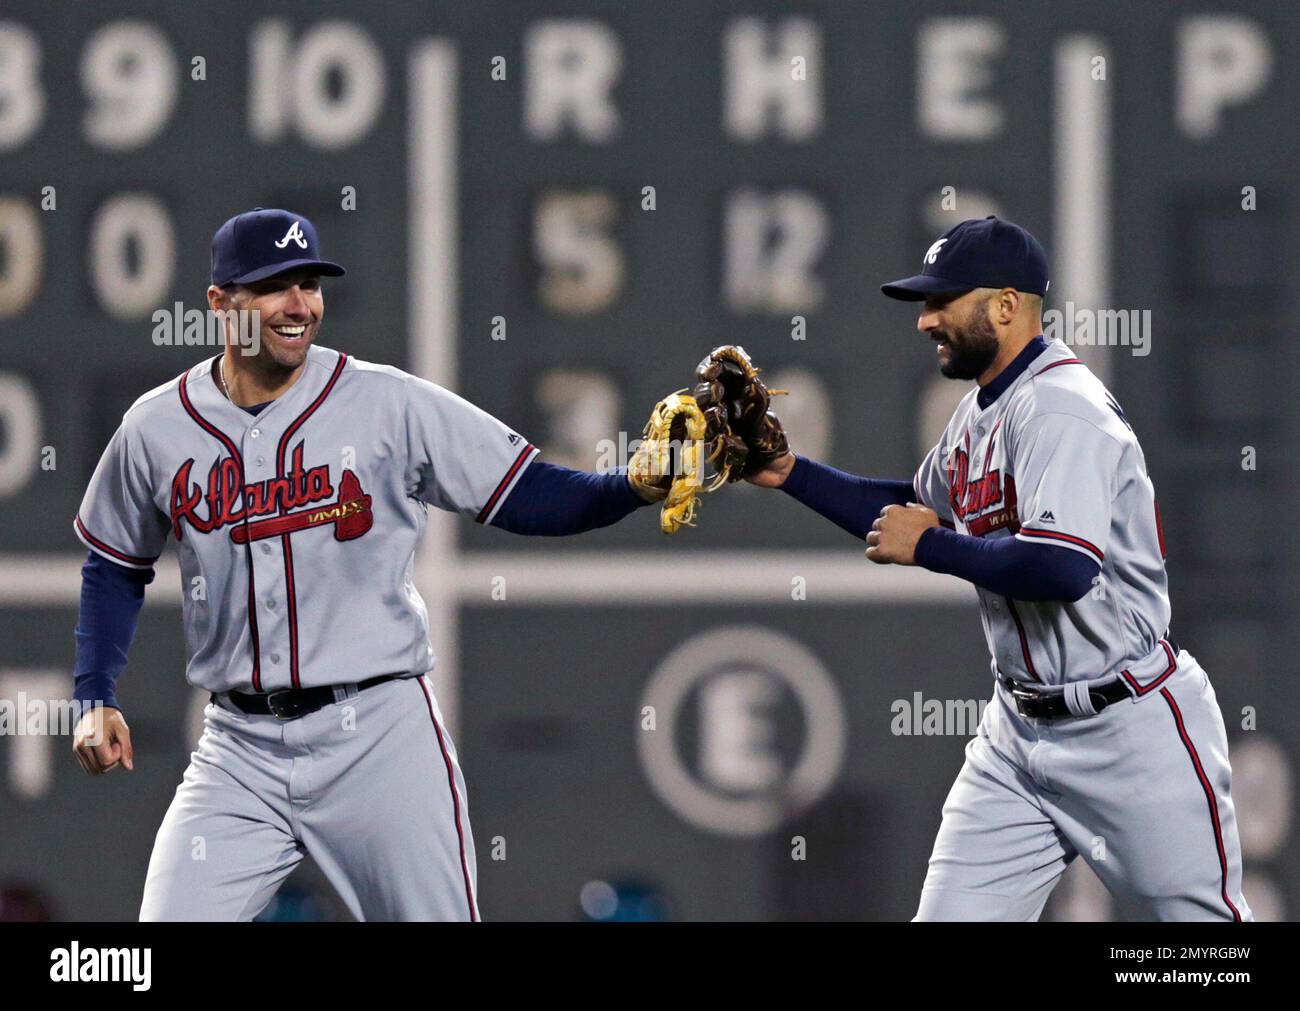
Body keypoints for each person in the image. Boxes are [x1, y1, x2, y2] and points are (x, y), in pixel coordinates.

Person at [70, 208, 668, 922]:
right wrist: (94, 693)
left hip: (379, 734)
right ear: (220, 303)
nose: (300, 306)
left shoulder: (386, 402)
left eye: (310, 284)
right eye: (273, 287)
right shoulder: (156, 426)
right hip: (239, 749)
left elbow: (528, 492)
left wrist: (630, 485)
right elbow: (113, 563)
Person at [745, 216, 1250, 921]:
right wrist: (788, 470)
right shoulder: (983, 410)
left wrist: (931, 547)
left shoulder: (1061, 408)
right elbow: (909, 510)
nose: (925, 320)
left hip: (1130, 728)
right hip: (1018, 736)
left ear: (1007, 305)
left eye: (943, 299)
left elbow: (1062, 566)